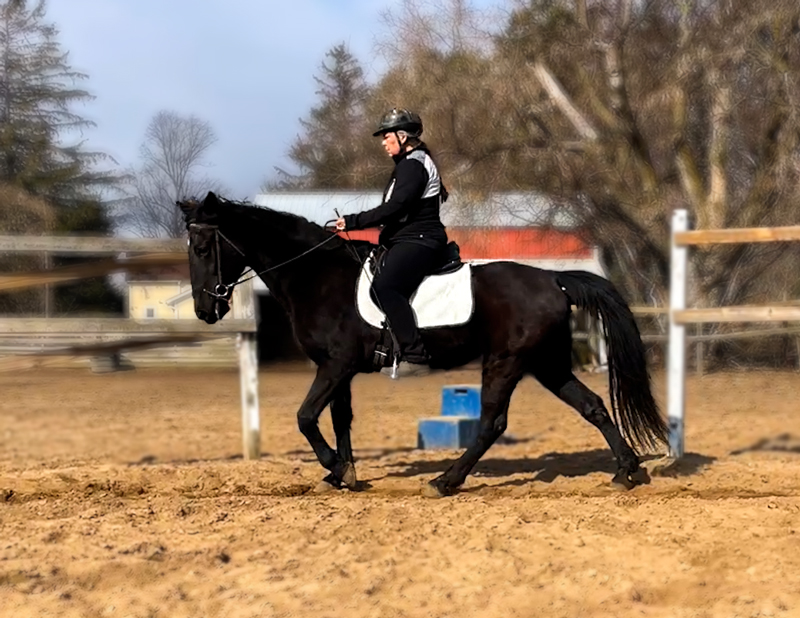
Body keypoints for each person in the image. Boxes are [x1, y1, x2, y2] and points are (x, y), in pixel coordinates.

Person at [336, 108, 448, 366]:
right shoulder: (410, 164)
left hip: (420, 239)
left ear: (403, 136)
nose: (384, 143)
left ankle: (414, 353)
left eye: (387, 137)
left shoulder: (412, 165)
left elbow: (397, 207)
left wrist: (354, 222)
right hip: (407, 237)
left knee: (384, 287)